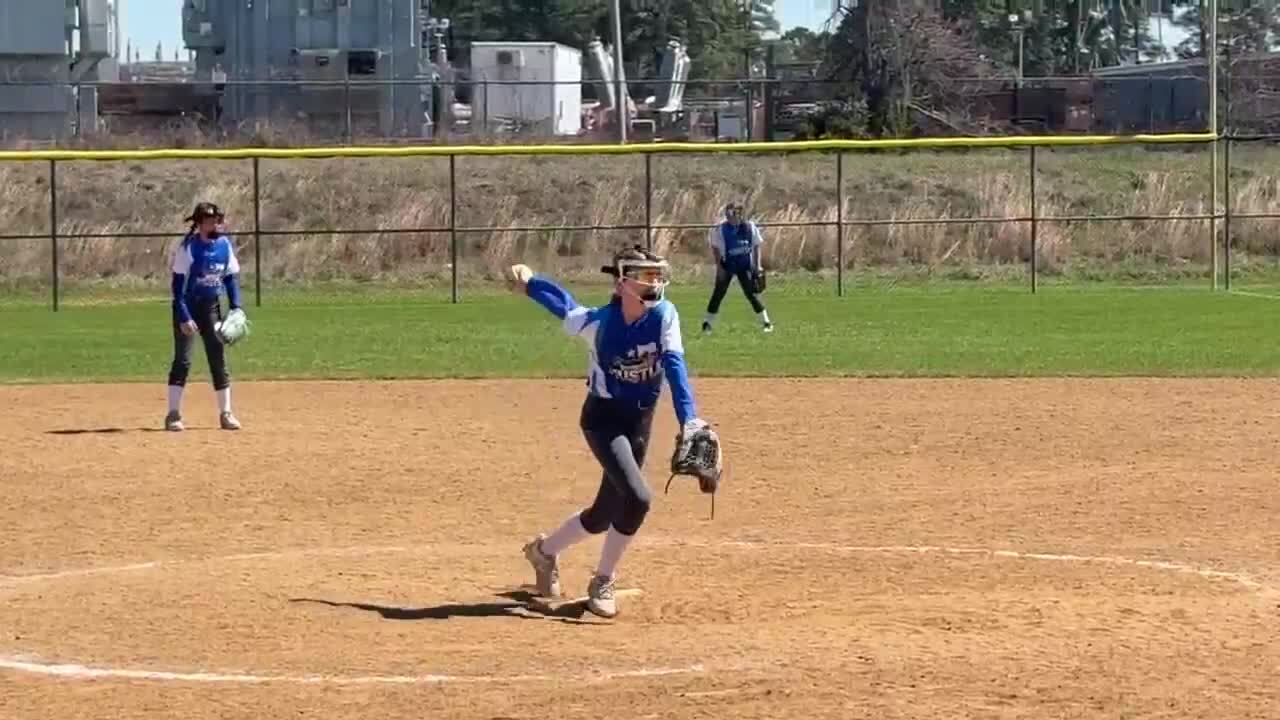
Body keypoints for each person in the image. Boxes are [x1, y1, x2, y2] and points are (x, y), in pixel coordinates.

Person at [509, 245, 710, 619]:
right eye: (645, 276)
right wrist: (532, 284)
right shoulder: (600, 323)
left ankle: (543, 552)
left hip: (639, 421)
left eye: (657, 276)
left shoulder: (665, 315)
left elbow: (675, 366)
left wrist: (691, 420)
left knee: (604, 513)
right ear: (621, 283)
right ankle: (603, 579)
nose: (655, 283)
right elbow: (565, 306)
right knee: (638, 498)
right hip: (603, 419)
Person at [165, 201, 243, 432]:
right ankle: (173, 415)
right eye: (209, 220)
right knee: (183, 359)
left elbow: (230, 278)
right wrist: (184, 317)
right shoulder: (188, 248)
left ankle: (226, 414)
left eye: (216, 219)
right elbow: (177, 288)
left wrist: (236, 307)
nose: (214, 223)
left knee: (217, 358)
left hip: (210, 307)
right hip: (188, 306)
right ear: (199, 223)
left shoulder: (224, 245)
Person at [702, 200, 773, 334]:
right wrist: (720, 268)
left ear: (740, 214)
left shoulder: (749, 227)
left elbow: (757, 245)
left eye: (734, 213)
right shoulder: (721, 229)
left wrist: (757, 265)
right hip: (727, 264)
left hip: (744, 264)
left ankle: (766, 322)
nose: (730, 217)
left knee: (751, 294)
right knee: (718, 294)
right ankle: (707, 323)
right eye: (728, 214)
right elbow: (715, 248)